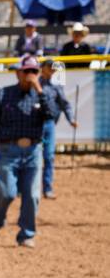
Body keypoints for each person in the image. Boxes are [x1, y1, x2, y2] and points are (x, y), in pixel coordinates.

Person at [0, 54, 53, 247]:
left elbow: (51, 115)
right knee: (6, 193)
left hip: (33, 152)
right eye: (26, 71)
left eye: (34, 71)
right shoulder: (3, 94)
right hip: (8, 151)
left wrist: (39, 89)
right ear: (18, 72)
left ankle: (26, 235)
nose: (30, 74)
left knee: (32, 195)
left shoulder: (43, 94)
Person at [38, 58, 78, 199]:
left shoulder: (56, 86)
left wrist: (71, 119)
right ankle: (24, 187)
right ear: (42, 68)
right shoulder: (34, 84)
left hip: (49, 123)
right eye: (49, 67)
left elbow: (65, 104)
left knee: (49, 156)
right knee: (29, 155)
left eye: (53, 68)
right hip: (34, 124)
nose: (52, 70)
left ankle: (47, 188)